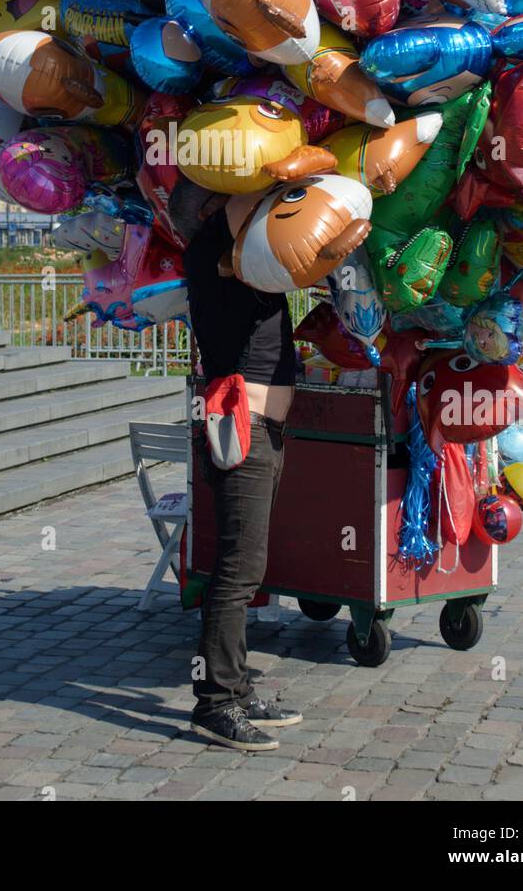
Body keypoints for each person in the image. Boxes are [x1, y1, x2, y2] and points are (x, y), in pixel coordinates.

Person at [171, 177, 302, 753]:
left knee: (247, 567)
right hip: (242, 431)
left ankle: (238, 689)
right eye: (241, 194)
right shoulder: (210, 253)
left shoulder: (249, 260)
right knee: (237, 571)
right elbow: (249, 203)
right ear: (211, 208)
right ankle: (215, 703)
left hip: (263, 430)